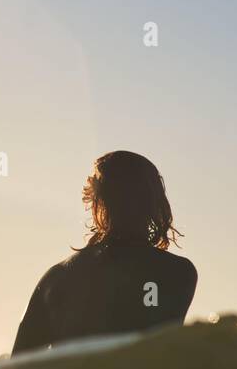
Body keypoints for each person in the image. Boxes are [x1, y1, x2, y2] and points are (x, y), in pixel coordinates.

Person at [12, 151, 196, 355]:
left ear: (98, 202)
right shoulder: (177, 272)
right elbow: (157, 352)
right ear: (155, 203)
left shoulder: (55, 280)